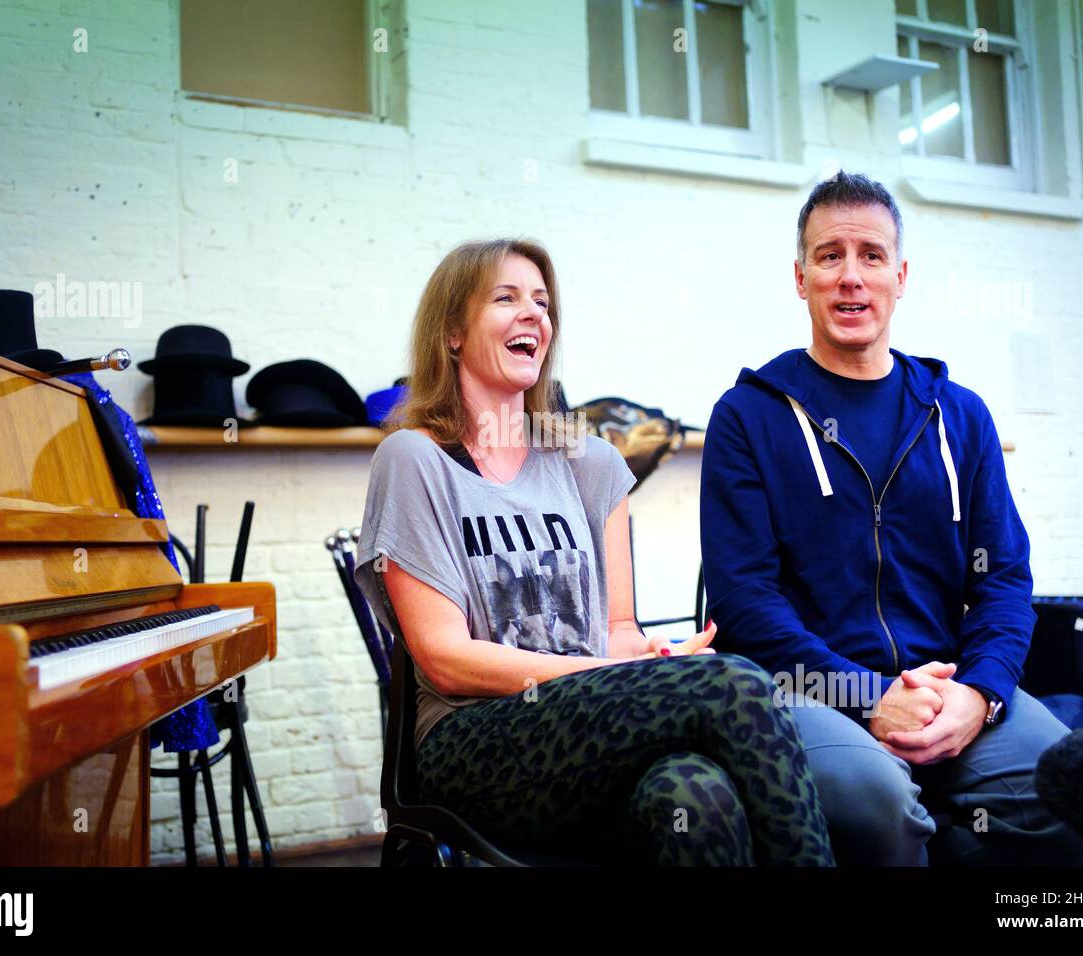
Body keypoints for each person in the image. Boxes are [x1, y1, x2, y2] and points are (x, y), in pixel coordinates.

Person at [355, 237, 834, 866]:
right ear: (452, 332)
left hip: (592, 731)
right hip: (473, 743)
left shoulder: (591, 463)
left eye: (542, 303)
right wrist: (617, 677)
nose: (533, 315)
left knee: (693, 792)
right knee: (736, 684)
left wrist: (650, 660)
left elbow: (616, 633)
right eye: (506, 298)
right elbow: (445, 660)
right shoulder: (414, 459)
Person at [700, 171, 1083, 866]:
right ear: (800, 278)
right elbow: (745, 601)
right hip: (805, 692)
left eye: (872, 256)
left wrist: (980, 693)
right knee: (879, 806)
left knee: (1079, 787)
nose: (851, 277)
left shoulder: (959, 414)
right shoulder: (748, 417)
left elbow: (1004, 579)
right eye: (830, 256)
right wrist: (868, 696)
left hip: (946, 689)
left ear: (901, 276)